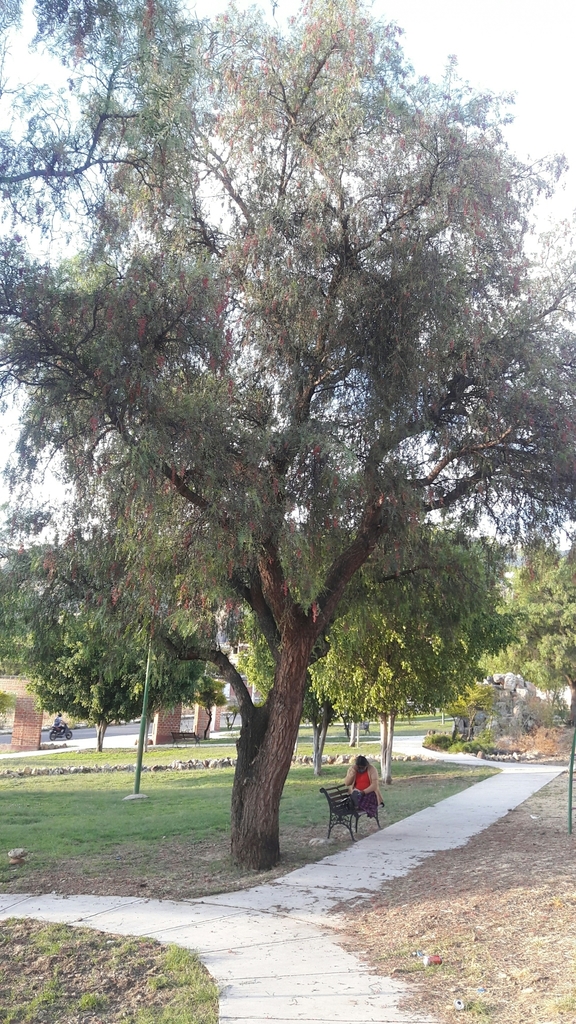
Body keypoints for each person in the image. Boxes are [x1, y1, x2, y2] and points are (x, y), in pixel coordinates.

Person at [344, 754, 384, 818]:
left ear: (366, 765)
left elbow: (374, 785)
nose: (361, 769)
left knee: (368, 796)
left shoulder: (372, 769)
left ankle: (356, 804)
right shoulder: (352, 769)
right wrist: (353, 772)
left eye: (363, 768)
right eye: (359, 767)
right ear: (356, 766)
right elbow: (347, 783)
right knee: (356, 795)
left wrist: (363, 792)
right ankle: (355, 802)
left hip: (368, 792)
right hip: (356, 792)